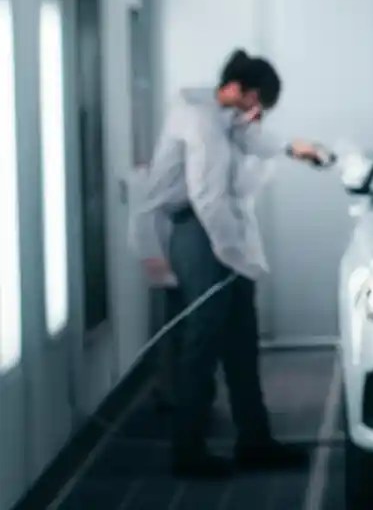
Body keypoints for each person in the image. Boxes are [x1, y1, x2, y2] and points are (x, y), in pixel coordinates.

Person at [130, 49, 329, 478]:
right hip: (197, 231)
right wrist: (234, 256)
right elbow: (208, 198)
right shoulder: (200, 122)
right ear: (237, 89)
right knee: (202, 341)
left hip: (217, 230)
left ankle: (254, 440)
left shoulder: (221, 111)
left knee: (242, 337)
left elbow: (249, 137)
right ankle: (188, 449)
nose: (256, 114)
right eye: (255, 104)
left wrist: (296, 149)